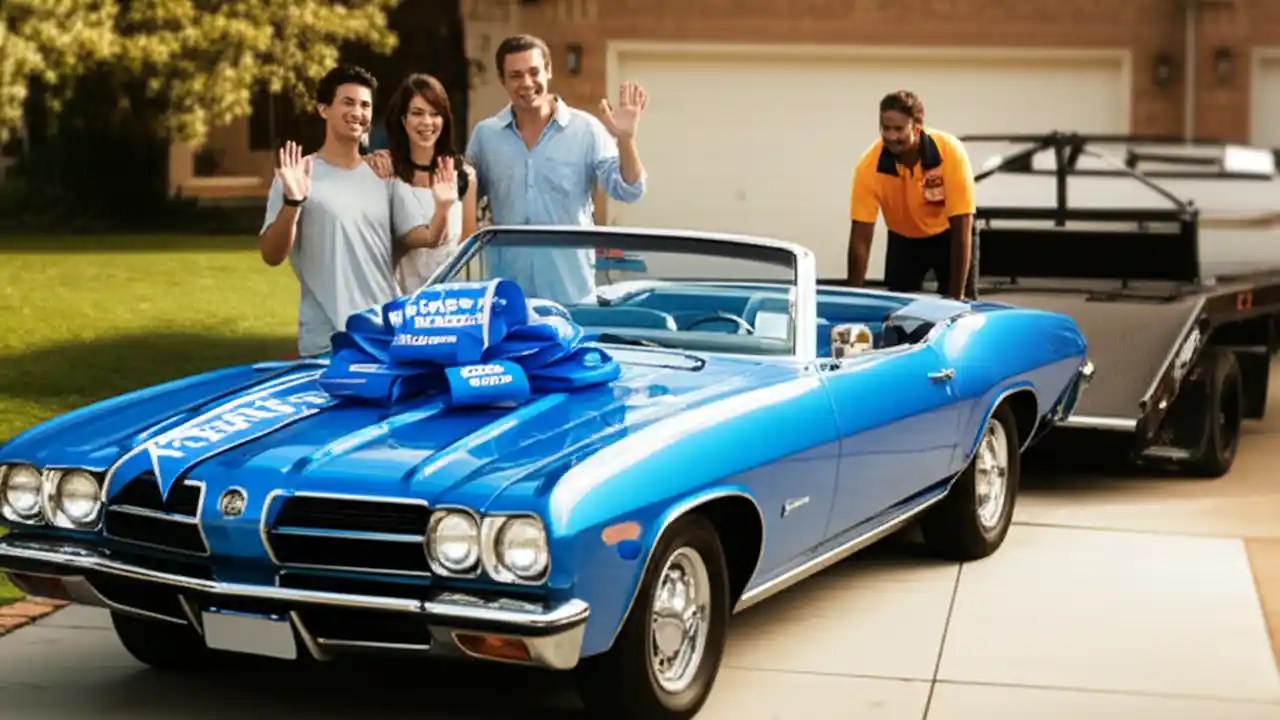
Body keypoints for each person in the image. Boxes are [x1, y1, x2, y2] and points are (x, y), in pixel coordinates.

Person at [464, 33, 649, 305]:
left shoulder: (586, 130)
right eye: (515, 75)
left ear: (548, 71)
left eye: (534, 72)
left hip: (572, 296)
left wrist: (626, 139)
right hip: (508, 299)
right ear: (502, 80)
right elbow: (461, 197)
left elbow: (631, 190)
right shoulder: (485, 136)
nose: (527, 83)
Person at [259, 64, 399, 357]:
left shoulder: (384, 175)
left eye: (365, 105)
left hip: (387, 336)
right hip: (328, 340)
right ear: (324, 109)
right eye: (348, 102)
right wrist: (293, 202)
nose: (358, 112)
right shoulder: (298, 174)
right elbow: (271, 255)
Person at [845, 90, 977, 300]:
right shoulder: (868, 166)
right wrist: (852, 296)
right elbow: (860, 238)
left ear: (917, 127)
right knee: (898, 311)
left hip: (950, 237)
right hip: (903, 240)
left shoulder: (950, 152)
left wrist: (957, 299)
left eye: (898, 129)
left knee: (962, 308)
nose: (890, 136)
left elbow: (962, 226)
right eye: (885, 128)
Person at [382, 72, 479, 294]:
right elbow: (413, 239)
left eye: (435, 114)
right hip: (403, 300)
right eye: (417, 113)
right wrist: (443, 207)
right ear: (404, 119)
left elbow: (467, 249)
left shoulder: (464, 176)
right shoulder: (389, 176)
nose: (427, 122)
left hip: (452, 301)